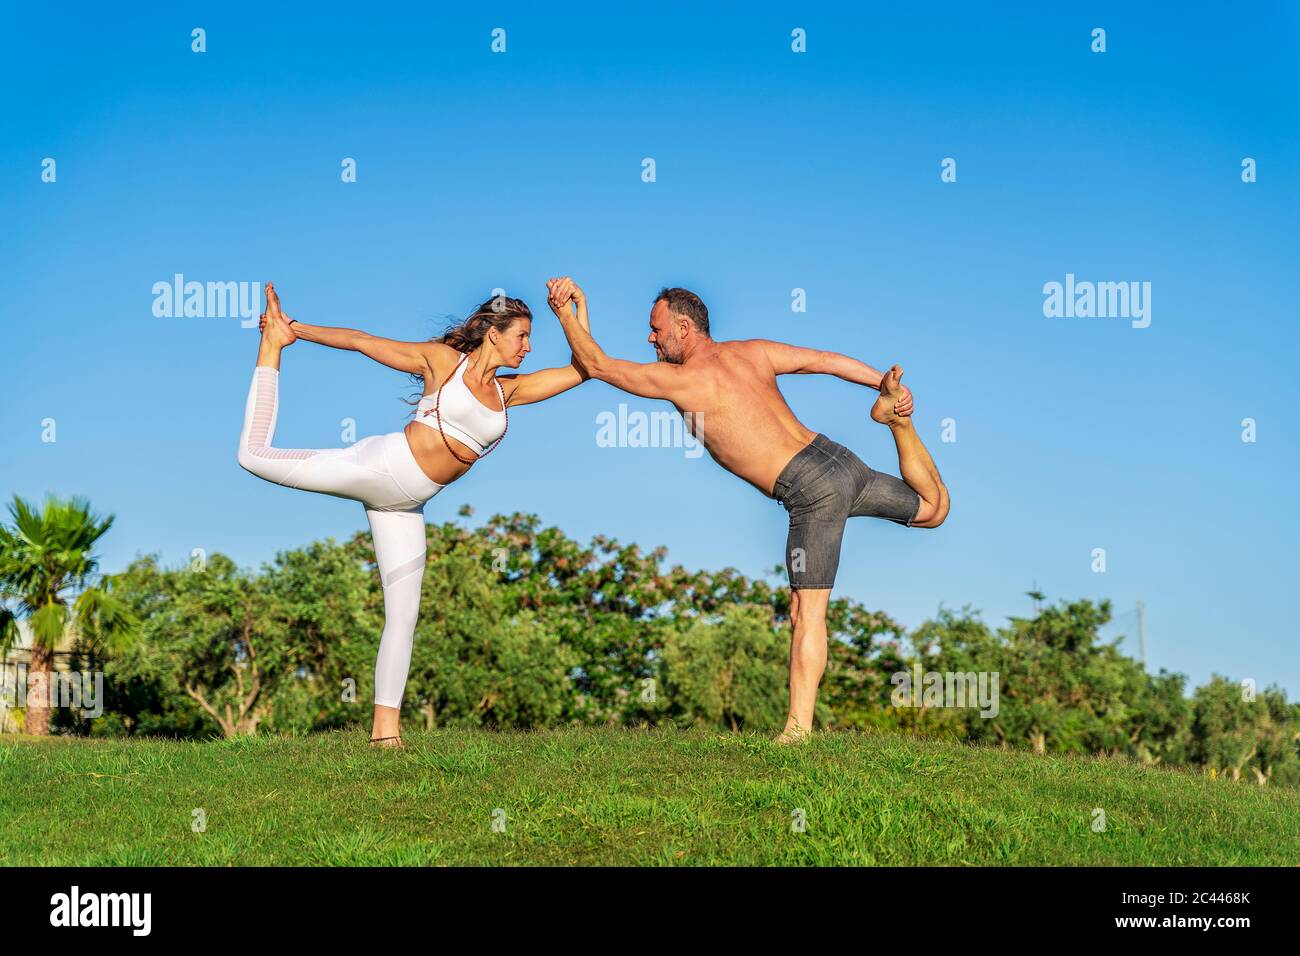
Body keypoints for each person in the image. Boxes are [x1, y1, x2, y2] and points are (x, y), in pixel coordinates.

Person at [544, 277, 948, 743]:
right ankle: (898, 422)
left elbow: (596, 364)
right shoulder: (752, 352)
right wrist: (882, 383)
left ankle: (797, 731)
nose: (650, 338)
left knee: (806, 611)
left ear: (683, 327)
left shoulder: (683, 381)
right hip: (839, 460)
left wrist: (565, 311)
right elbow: (823, 360)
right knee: (932, 509)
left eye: (656, 329)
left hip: (811, 489)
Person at [237, 282, 590, 747]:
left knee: (403, 618)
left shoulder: (509, 391)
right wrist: (293, 330)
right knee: (252, 456)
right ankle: (271, 346)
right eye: (521, 335)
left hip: (404, 507)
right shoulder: (443, 362)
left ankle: (385, 737)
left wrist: (573, 311)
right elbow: (363, 342)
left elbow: (587, 368)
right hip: (377, 467)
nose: (528, 346)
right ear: (494, 334)